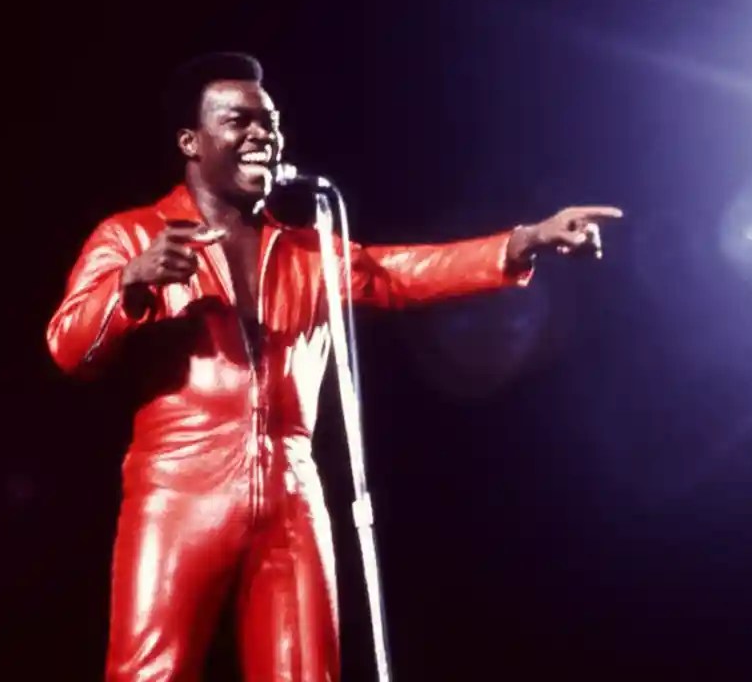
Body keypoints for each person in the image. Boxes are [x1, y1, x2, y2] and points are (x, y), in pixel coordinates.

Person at [45, 52, 622, 682]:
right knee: (149, 674)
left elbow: (398, 273)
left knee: (305, 673)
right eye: (239, 121)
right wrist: (130, 285)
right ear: (192, 141)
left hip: (293, 497)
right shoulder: (132, 235)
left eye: (270, 122)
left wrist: (524, 240)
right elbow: (69, 348)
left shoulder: (305, 249)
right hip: (179, 490)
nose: (262, 134)